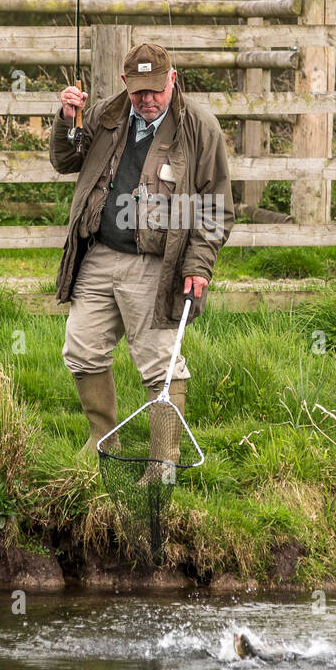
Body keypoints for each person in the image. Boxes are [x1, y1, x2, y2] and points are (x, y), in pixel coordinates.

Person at [50, 41, 234, 455]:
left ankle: (163, 460)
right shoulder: (103, 115)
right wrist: (66, 119)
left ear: (172, 79)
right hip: (97, 254)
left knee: (160, 367)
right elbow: (65, 160)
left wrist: (198, 265)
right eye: (138, 90)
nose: (147, 99)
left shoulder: (200, 129)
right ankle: (104, 442)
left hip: (157, 263)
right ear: (124, 83)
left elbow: (216, 208)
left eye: (155, 89)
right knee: (82, 351)